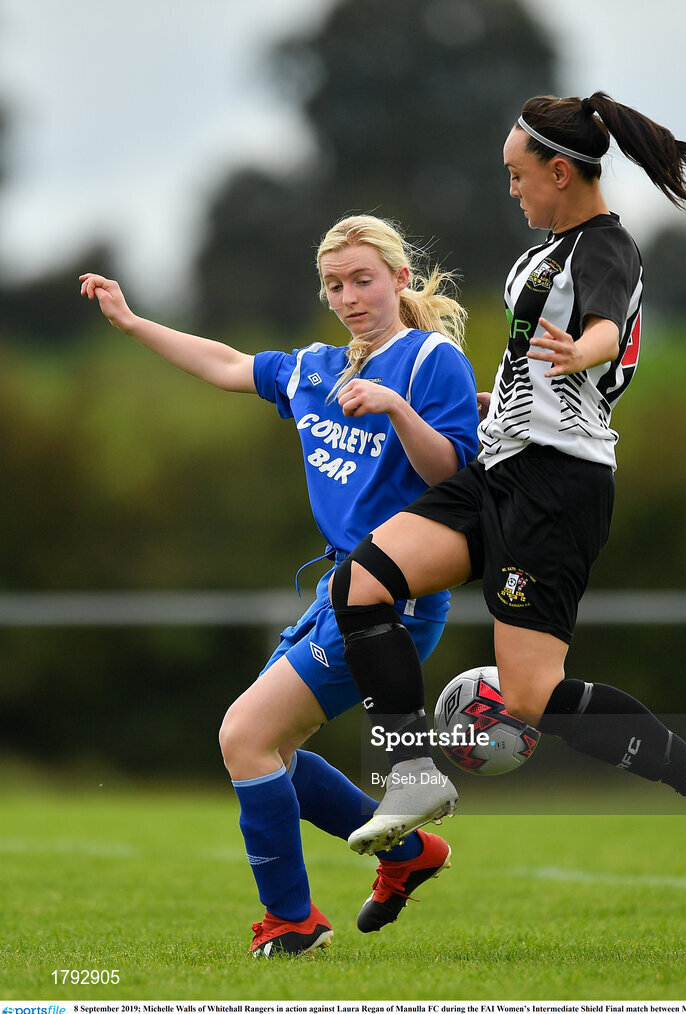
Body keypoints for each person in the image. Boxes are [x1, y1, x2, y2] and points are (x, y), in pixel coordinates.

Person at [330, 93, 686, 885]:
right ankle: (411, 772)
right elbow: (529, 364)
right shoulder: (542, 255)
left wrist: (583, 353)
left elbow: (601, 325)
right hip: (499, 467)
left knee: (531, 699)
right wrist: (497, 402)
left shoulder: (605, 248)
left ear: (559, 172)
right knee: (361, 583)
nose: (510, 187)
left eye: (516, 174)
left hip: (558, 489)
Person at [79, 214, 480, 956]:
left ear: (397, 278)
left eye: (363, 278)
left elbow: (456, 479)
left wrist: (393, 408)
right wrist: (133, 323)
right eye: (335, 284)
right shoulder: (315, 369)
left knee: (245, 738)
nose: (349, 295)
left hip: (392, 597)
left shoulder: (429, 362)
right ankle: (403, 855)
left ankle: (293, 923)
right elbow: (226, 362)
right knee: (268, 751)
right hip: (339, 593)